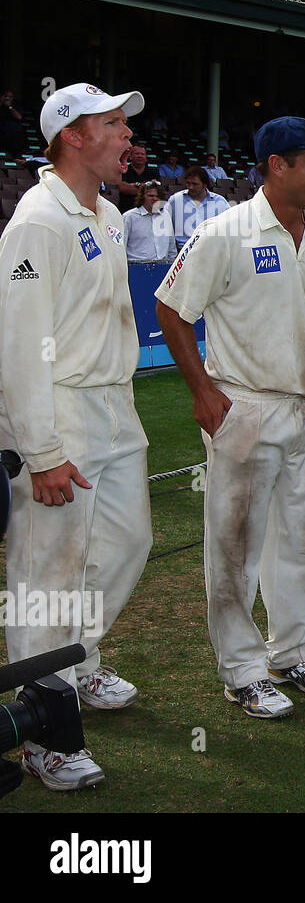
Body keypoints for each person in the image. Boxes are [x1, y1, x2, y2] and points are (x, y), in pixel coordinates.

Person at [155, 116, 305, 719]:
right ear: (277, 165)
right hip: (245, 406)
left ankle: (292, 654)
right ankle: (242, 672)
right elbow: (170, 306)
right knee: (235, 545)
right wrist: (203, 393)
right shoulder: (226, 233)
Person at [0, 81, 152, 791]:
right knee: (46, 575)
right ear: (73, 136)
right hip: (58, 412)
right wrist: (42, 452)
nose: (127, 136)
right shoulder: (38, 220)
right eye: (114, 124)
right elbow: (21, 345)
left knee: (127, 541)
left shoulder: (110, 216)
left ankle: (77, 663)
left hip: (113, 406)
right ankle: (43, 731)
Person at [165, 165, 230, 246]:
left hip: (210, 250)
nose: (191, 187)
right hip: (182, 251)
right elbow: (165, 226)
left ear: (205, 185)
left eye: (195, 184)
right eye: (188, 183)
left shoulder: (220, 202)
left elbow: (229, 228)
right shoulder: (175, 200)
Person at [123, 179, 177, 263]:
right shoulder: (129, 217)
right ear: (142, 196)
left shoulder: (165, 215)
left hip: (162, 265)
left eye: (157, 196)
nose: (154, 199)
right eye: (150, 196)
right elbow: (122, 245)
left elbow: (171, 245)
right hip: (136, 266)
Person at [118, 144, 157, 209]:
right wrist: (146, 188)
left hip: (147, 211)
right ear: (130, 156)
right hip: (125, 210)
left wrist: (134, 185)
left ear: (146, 157)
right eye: (137, 153)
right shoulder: (123, 169)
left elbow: (155, 190)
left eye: (142, 154)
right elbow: (123, 188)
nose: (140, 156)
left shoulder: (153, 171)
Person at [0, 88, 24, 155]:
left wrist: (10, 107)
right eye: (6, 96)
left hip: (13, 133)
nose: (7, 98)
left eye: (10, 97)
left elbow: (19, 117)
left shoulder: (16, 105)